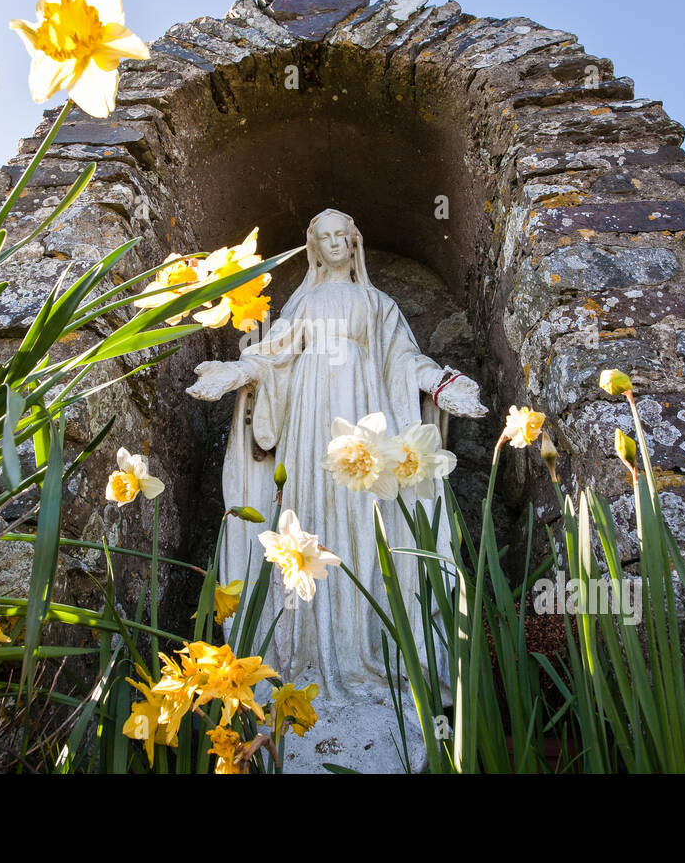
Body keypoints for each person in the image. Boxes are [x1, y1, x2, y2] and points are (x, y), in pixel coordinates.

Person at [187, 208, 486, 702]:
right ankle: (306, 650)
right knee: (310, 509)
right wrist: (235, 374)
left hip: (366, 403)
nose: (331, 245)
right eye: (322, 238)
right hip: (308, 415)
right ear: (313, 246)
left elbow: (403, 358)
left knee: (370, 517)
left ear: (354, 242)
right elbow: (272, 352)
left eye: (339, 237)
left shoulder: (377, 302)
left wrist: (440, 383)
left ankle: (367, 645)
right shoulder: (302, 303)